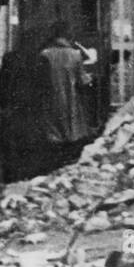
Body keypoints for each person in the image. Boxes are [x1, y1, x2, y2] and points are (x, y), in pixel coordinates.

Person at [34, 22, 97, 174]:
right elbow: (82, 80)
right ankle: (68, 164)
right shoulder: (74, 54)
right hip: (71, 99)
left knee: (54, 131)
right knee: (71, 129)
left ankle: (56, 164)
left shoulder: (45, 54)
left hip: (51, 99)